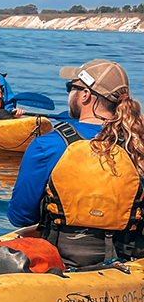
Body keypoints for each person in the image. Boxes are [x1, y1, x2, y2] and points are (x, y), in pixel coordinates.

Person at [8, 59, 144, 267]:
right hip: (128, 261)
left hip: (62, 262)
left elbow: (20, 216)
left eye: (71, 87)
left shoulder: (46, 146)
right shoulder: (138, 146)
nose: (69, 93)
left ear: (85, 95)